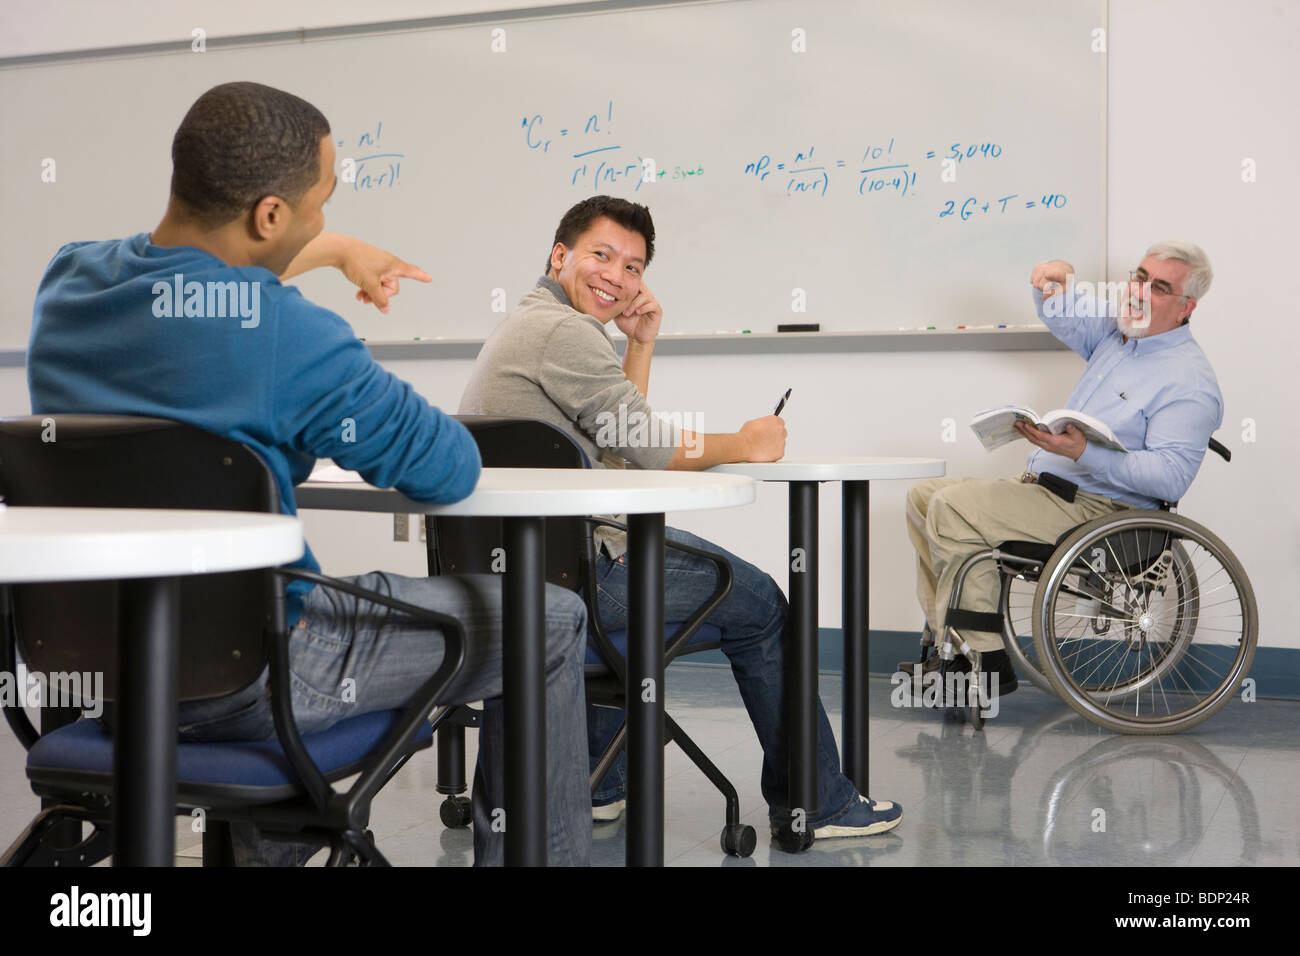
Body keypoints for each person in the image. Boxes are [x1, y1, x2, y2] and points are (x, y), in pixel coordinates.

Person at [26, 81, 592, 866]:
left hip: (97, 669)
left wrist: (323, 249)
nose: (325, 221)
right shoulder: (294, 337)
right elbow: (447, 467)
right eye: (320, 205)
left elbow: (187, 292)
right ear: (269, 216)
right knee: (551, 618)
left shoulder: (67, 286)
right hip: (257, 681)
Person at [459, 195, 904, 839]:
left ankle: (600, 783)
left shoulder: (530, 324)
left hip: (529, 570)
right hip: (576, 570)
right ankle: (818, 803)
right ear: (561, 256)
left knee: (661, 579)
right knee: (759, 603)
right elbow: (651, 449)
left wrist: (639, 344)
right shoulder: (564, 332)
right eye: (602, 256)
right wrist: (744, 444)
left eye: (634, 266)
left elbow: (617, 442)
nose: (618, 276)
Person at [905, 241, 1223, 690]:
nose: (1138, 291)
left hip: (1102, 513)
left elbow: (1170, 477)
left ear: (1186, 306)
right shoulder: (1122, 336)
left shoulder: (1188, 381)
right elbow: (1065, 313)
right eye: (1138, 276)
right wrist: (1059, 280)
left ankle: (984, 660)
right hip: (1050, 491)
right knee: (922, 496)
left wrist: (1081, 453)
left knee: (953, 507)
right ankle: (948, 642)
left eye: (1159, 287)